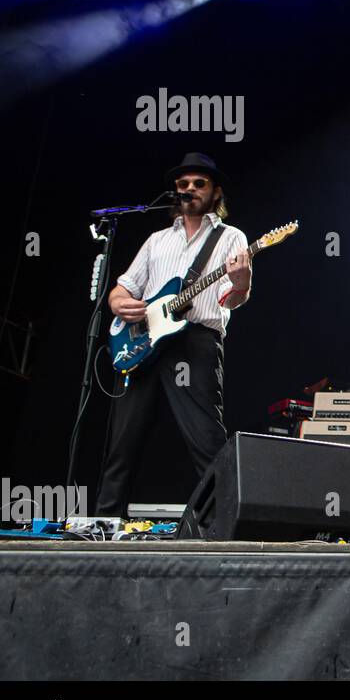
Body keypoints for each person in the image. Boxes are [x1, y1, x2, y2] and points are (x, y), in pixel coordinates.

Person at [95, 152, 252, 515]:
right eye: (183, 185)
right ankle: (105, 522)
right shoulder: (156, 240)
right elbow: (123, 288)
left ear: (216, 193)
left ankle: (224, 521)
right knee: (122, 441)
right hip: (144, 342)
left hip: (196, 340)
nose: (190, 189)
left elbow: (234, 299)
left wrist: (241, 281)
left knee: (206, 439)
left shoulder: (231, 238)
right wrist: (118, 304)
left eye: (200, 184)